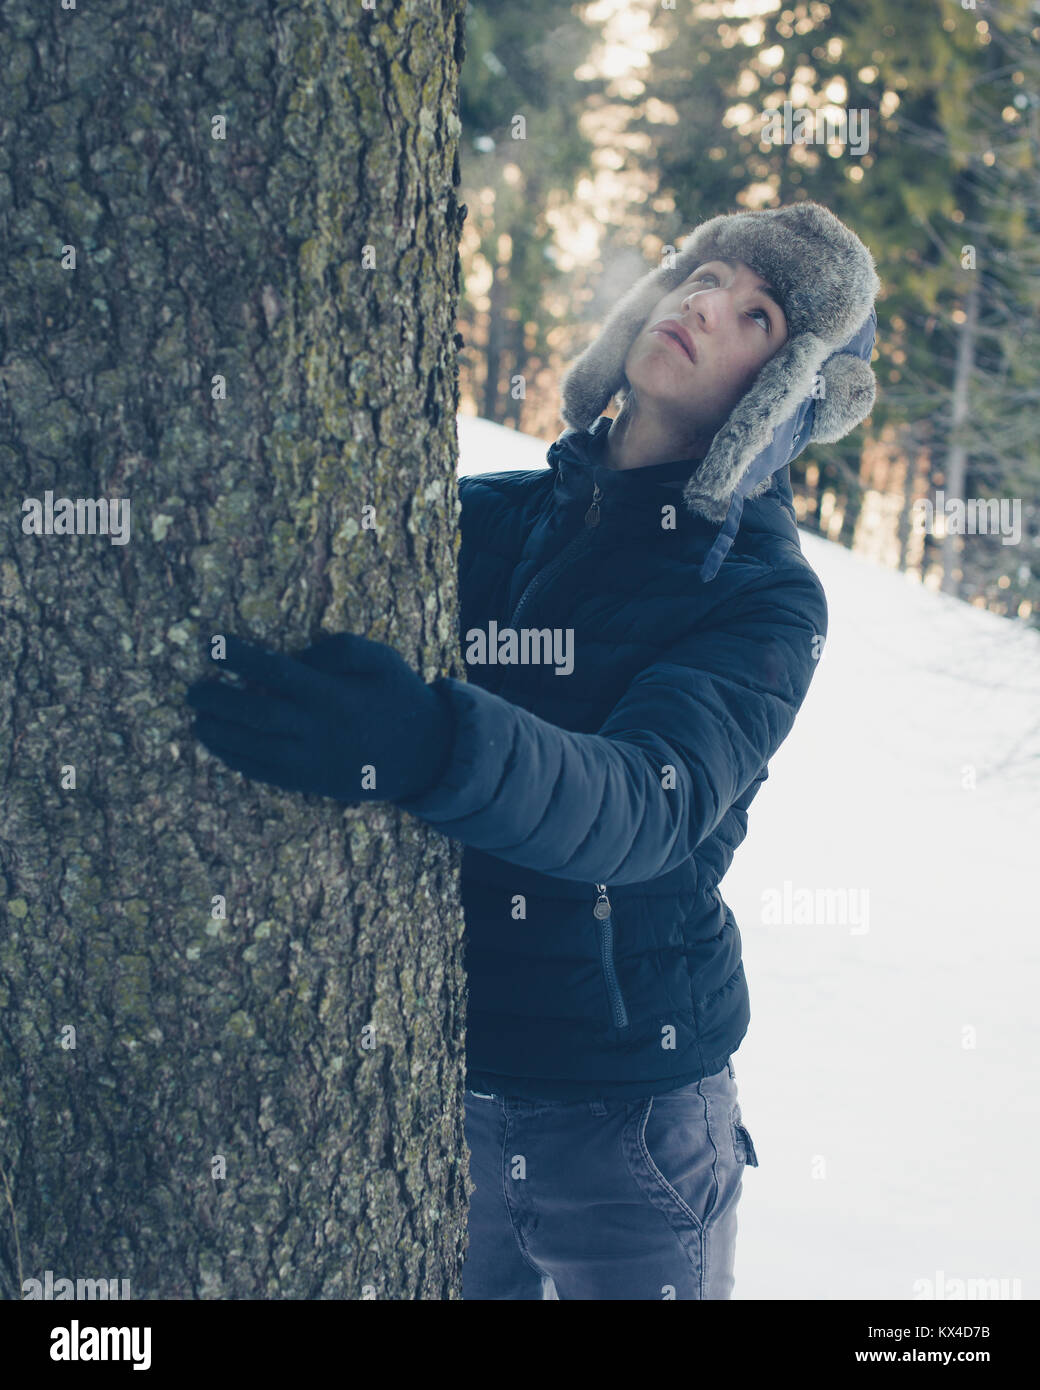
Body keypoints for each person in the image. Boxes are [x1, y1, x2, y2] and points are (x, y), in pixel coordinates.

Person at [186, 200, 881, 1300]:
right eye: (704, 276)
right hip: (439, 1092)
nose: (706, 304)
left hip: (632, 1119)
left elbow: (645, 807)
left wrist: (426, 743)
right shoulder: (486, 516)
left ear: (789, 390)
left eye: (758, 315)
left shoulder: (764, 597)